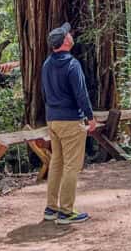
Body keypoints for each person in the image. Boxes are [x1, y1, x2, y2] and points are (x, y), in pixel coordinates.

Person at [41, 22, 96, 225]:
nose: (71, 35)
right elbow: (81, 95)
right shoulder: (72, 64)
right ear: (65, 41)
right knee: (72, 166)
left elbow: (44, 94)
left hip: (53, 120)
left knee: (57, 164)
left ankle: (51, 208)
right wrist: (90, 119)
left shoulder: (46, 64)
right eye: (68, 34)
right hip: (71, 121)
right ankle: (66, 211)